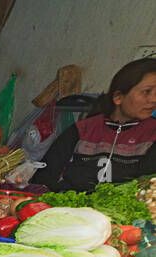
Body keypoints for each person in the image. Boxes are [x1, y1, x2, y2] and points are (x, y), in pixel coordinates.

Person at [33, 58, 156, 191]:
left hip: (121, 210)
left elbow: (147, 186)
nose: (153, 99)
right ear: (118, 97)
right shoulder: (81, 130)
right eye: (146, 92)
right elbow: (43, 178)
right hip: (70, 207)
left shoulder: (153, 133)